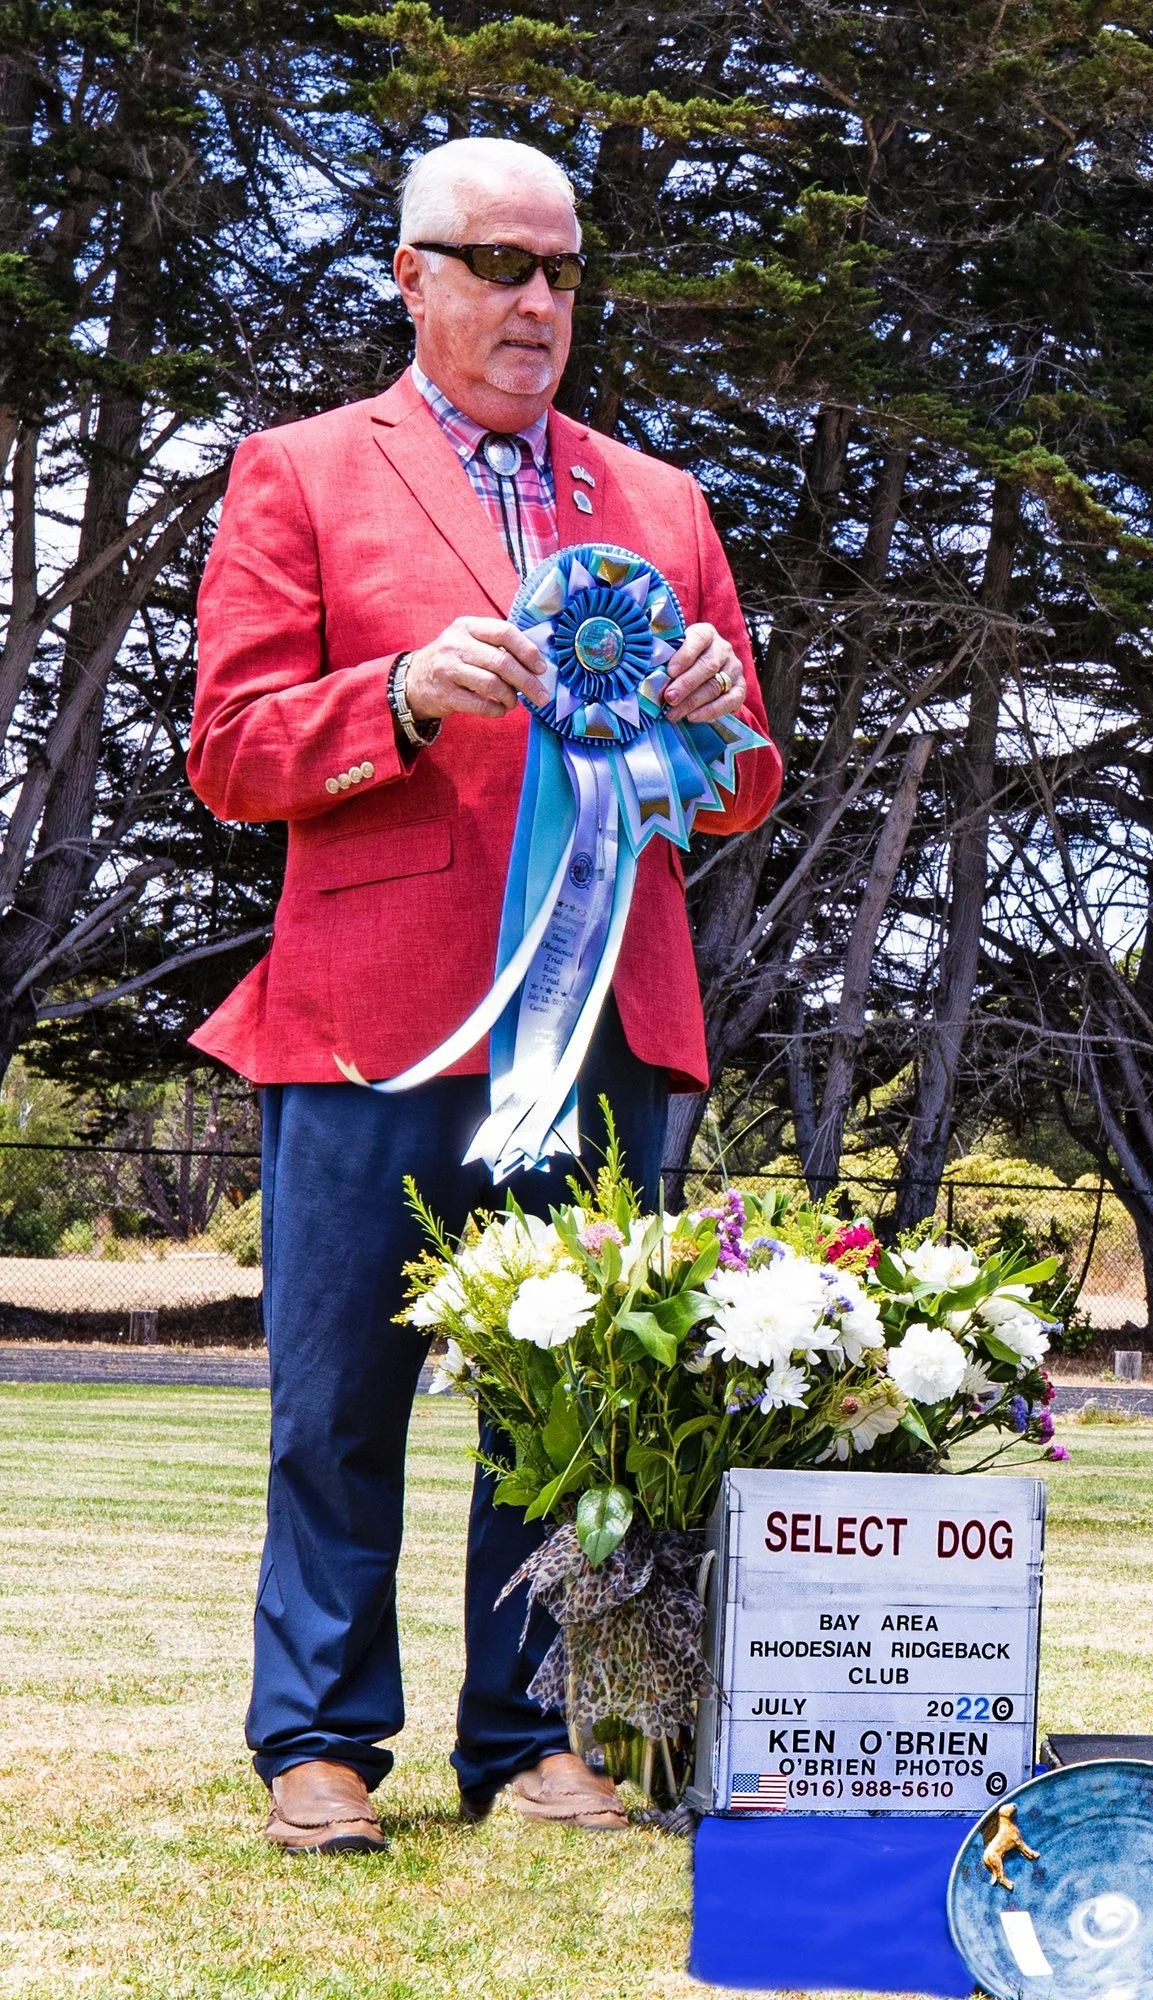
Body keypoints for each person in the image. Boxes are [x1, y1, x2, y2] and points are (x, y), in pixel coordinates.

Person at [189, 137, 783, 1853]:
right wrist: (398, 693)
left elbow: (739, 784)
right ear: (411, 277)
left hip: (604, 1022)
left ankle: (537, 1734)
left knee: (576, 1397)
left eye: (565, 273)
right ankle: (317, 1743)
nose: (537, 302)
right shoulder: (298, 474)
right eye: (498, 264)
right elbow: (229, 751)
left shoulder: (661, 503)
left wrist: (716, 711)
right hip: (371, 1016)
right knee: (337, 1397)